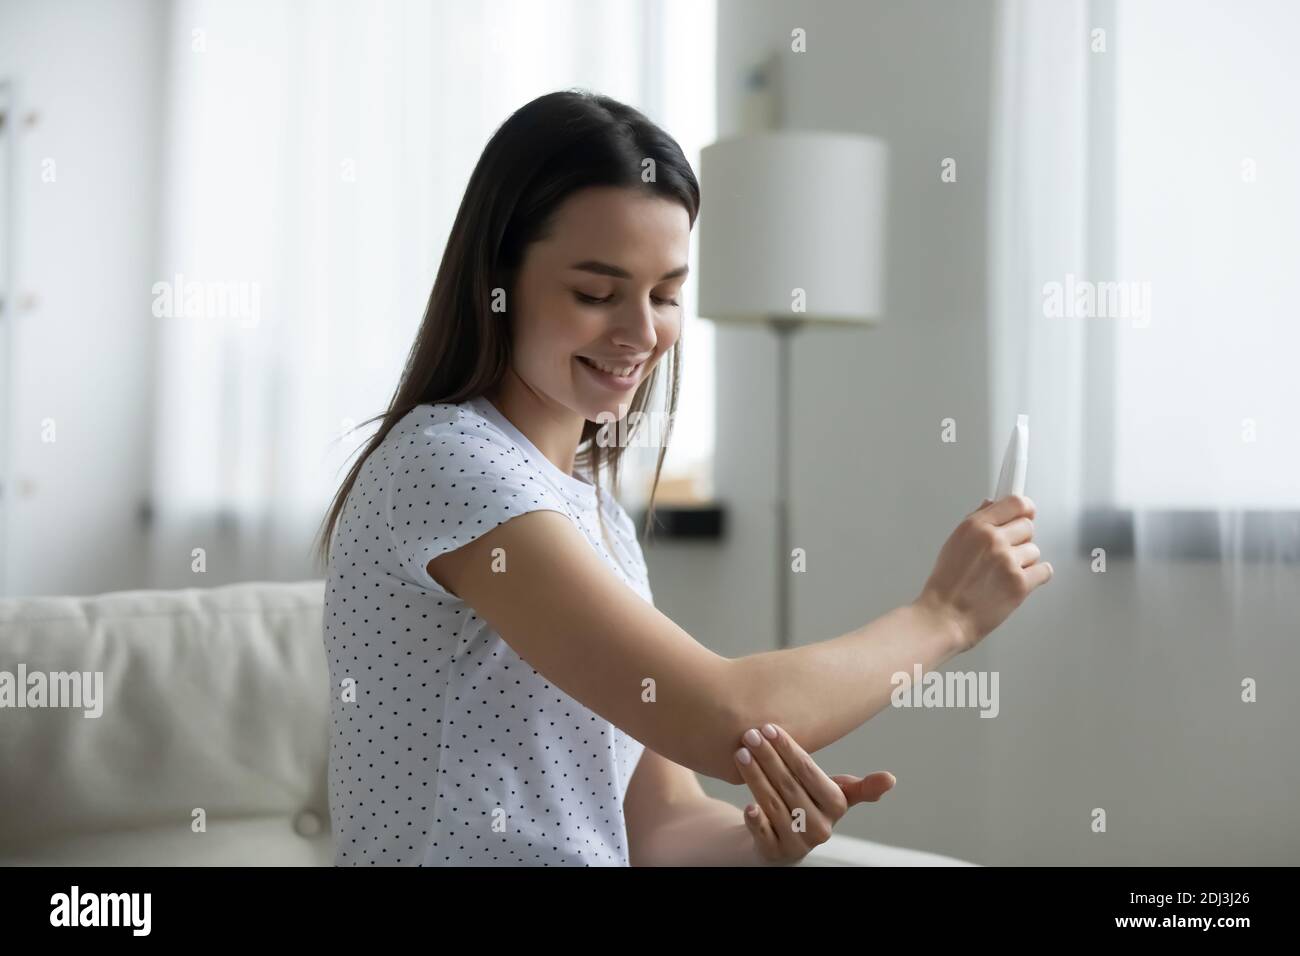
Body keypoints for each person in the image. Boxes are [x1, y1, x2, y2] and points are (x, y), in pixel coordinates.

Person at [314, 89, 1051, 867]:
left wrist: (763, 841)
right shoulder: (447, 462)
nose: (640, 333)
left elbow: (660, 820)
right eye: (596, 294)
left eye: (666, 294)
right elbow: (722, 715)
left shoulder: (591, 516)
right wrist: (944, 617)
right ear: (497, 281)